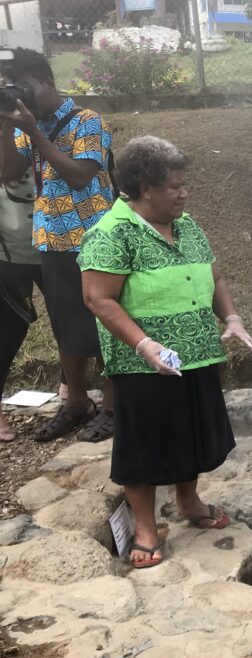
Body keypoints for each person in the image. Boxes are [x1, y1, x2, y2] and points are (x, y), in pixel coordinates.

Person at [78, 136, 252, 568]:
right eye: (175, 186)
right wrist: (144, 344)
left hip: (195, 354)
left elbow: (213, 276)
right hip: (142, 364)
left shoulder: (187, 225)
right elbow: (98, 298)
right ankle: (145, 526)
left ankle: (189, 501)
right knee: (144, 444)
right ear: (145, 188)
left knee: (190, 435)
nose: (185, 193)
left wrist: (231, 318)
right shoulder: (111, 234)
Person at [0, 48, 116, 442]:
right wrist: (5, 124)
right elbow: (11, 172)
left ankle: (115, 406)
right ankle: (77, 403)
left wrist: (35, 132)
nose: (21, 95)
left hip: (95, 238)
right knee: (66, 328)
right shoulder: (21, 125)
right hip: (51, 238)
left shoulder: (87, 121)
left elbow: (82, 175)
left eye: (25, 86)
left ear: (48, 82)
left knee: (105, 325)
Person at [0, 165, 38, 442]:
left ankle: (70, 388)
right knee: (9, 329)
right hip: (8, 248)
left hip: (59, 237)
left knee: (71, 316)